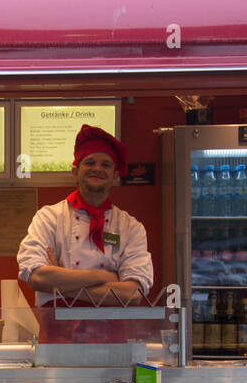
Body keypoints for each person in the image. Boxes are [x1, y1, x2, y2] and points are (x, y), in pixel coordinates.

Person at [17, 124, 153, 305]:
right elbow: (37, 278)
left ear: (115, 176)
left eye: (106, 164)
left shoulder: (130, 227)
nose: (97, 168)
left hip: (111, 331)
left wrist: (61, 284)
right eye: (90, 162)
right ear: (75, 172)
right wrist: (104, 276)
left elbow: (133, 294)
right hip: (58, 330)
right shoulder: (49, 218)